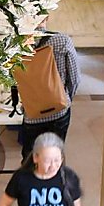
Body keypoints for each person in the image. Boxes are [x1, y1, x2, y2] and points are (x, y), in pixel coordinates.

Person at [15, 28, 82, 164]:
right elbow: (75, 78)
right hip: (59, 110)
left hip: (32, 112)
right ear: (46, 18)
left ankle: (30, 175)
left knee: (30, 157)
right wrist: (66, 97)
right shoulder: (62, 40)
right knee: (55, 153)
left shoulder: (17, 43)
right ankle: (54, 174)